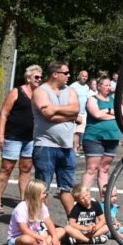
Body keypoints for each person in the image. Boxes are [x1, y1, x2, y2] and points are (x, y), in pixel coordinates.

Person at [32, 60, 81, 216]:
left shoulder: (70, 90)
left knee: (67, 186)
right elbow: (48, 115)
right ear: (55, 74)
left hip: (66, 147)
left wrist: (55, 108)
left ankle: (72, 219)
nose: (69, 75)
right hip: (45, 145)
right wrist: (71, 116)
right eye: (65, 73)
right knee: (42, 188)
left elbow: (76, 109)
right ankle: (40, 221)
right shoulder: (40, 91)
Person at [0, 64, 41, 215]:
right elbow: (4, 113)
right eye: (36, 77)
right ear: (28, 78)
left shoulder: (40, 94)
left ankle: (23, 201)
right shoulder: (16, 92)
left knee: (26, 169)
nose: (39, 79)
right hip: (13, 137)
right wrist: (1, 135)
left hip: (31, 138)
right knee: (6, 168)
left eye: (41, 77)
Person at [81, 76, 122, 193]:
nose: (109, 87)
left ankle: (105, 199)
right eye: (106, 85)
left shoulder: (114, 100)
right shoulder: (92, 99)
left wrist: (106, 112)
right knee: (92, 169)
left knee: (104, 169)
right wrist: (112, 112)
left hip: (112, 137)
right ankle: (84, 197)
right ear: (99, 86)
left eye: (110, 85)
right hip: (94, 138)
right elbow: (97, 114)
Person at [6, 179, 63, 245]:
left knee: (61, 230)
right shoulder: (21, 208)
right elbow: (24, 230)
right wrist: (42, 238)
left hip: (37, 233)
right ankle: (42, 244)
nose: (46, 195)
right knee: (26, 239)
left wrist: (55, 236)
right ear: (35, 195)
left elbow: (49, 222)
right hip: (18, 237)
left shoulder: (42, 205)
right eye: (43, 193)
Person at [70, 69, 92, 155]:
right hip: (75, 112)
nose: (84, 78)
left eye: (86, 76)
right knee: (75, 132)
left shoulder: (87, 87)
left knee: (80, 132)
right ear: (79, 76)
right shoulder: (73, 86)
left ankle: (76, 148)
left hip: (84, 113)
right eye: (83, 76)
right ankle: (73, 149)